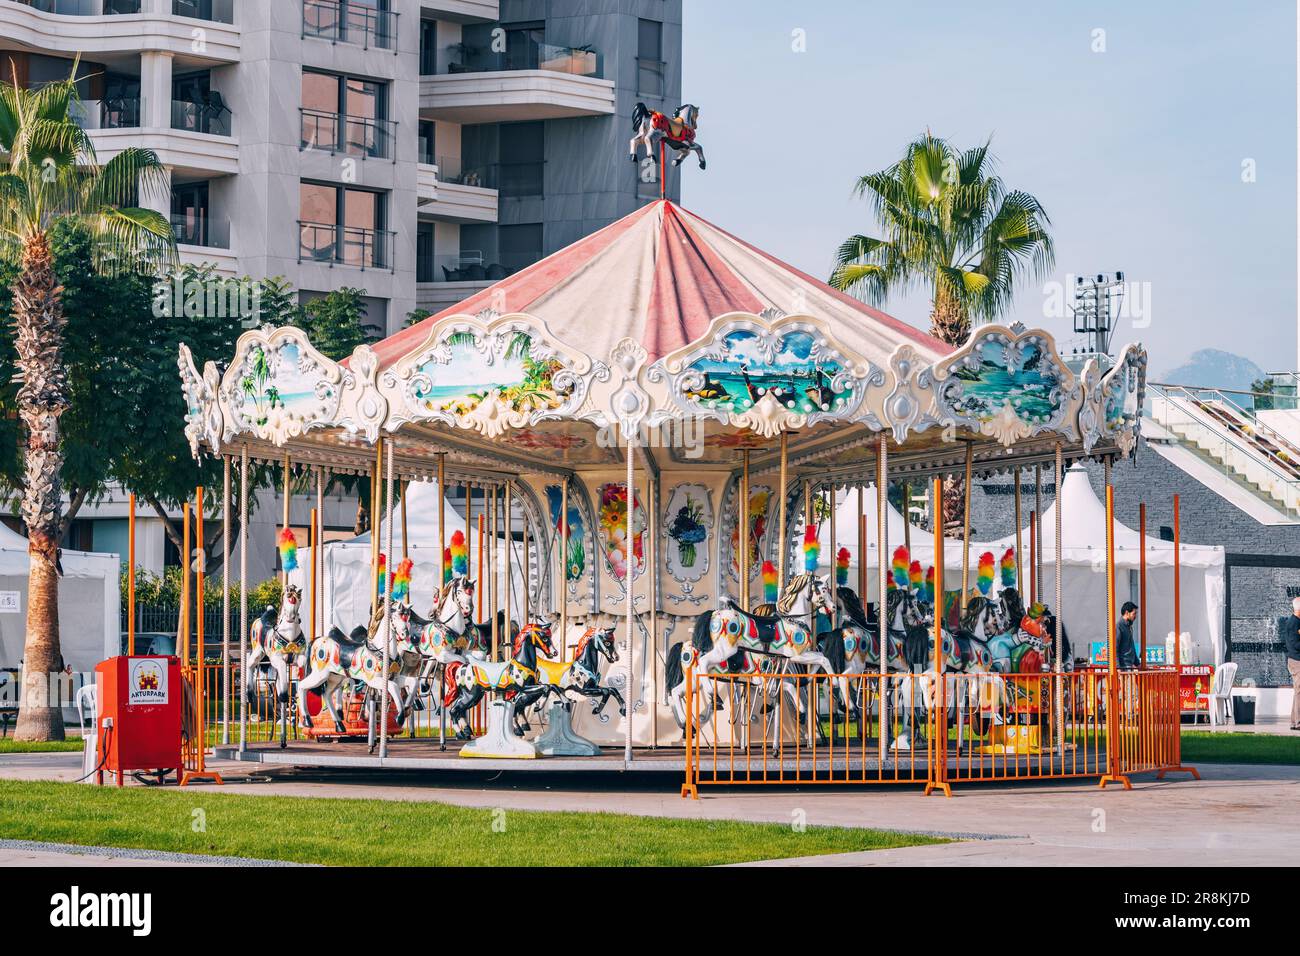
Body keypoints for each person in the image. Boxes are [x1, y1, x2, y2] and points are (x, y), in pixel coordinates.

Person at [1277, 597, 1300, 730]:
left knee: (1298, 691)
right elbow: (1295, 644)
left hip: (1297, 661)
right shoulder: (1293, 623)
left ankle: (1294, 721)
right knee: (1299, 691)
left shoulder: (1297, 622)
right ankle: (1297, 722)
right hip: (1296, 662)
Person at [1115, 601, 1139, 670]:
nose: (1135, 616)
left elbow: (1131, 647)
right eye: (1134, 614)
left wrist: (1137, 663)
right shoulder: (1119, 626)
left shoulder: (1129, 627)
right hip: (1123, 666)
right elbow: (1115, 648)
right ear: (1127, 613)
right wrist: (1118, 667)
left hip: (1129, 665)